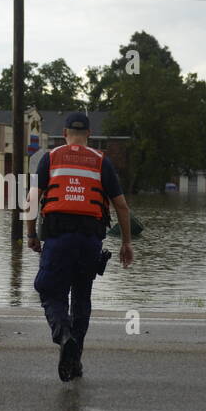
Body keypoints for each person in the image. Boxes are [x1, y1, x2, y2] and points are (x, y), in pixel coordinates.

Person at [27, 111, 133, 381]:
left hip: (58, 238)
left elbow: (31, 198)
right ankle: (75, 360)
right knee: (82, 298)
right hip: (89, 241)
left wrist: (31, 234)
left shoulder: (51, 158)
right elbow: (121, 205)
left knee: (50, 291)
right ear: (88, 135)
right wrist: (127, 242)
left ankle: (64, 336)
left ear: (64, 134)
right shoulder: (101, 161)